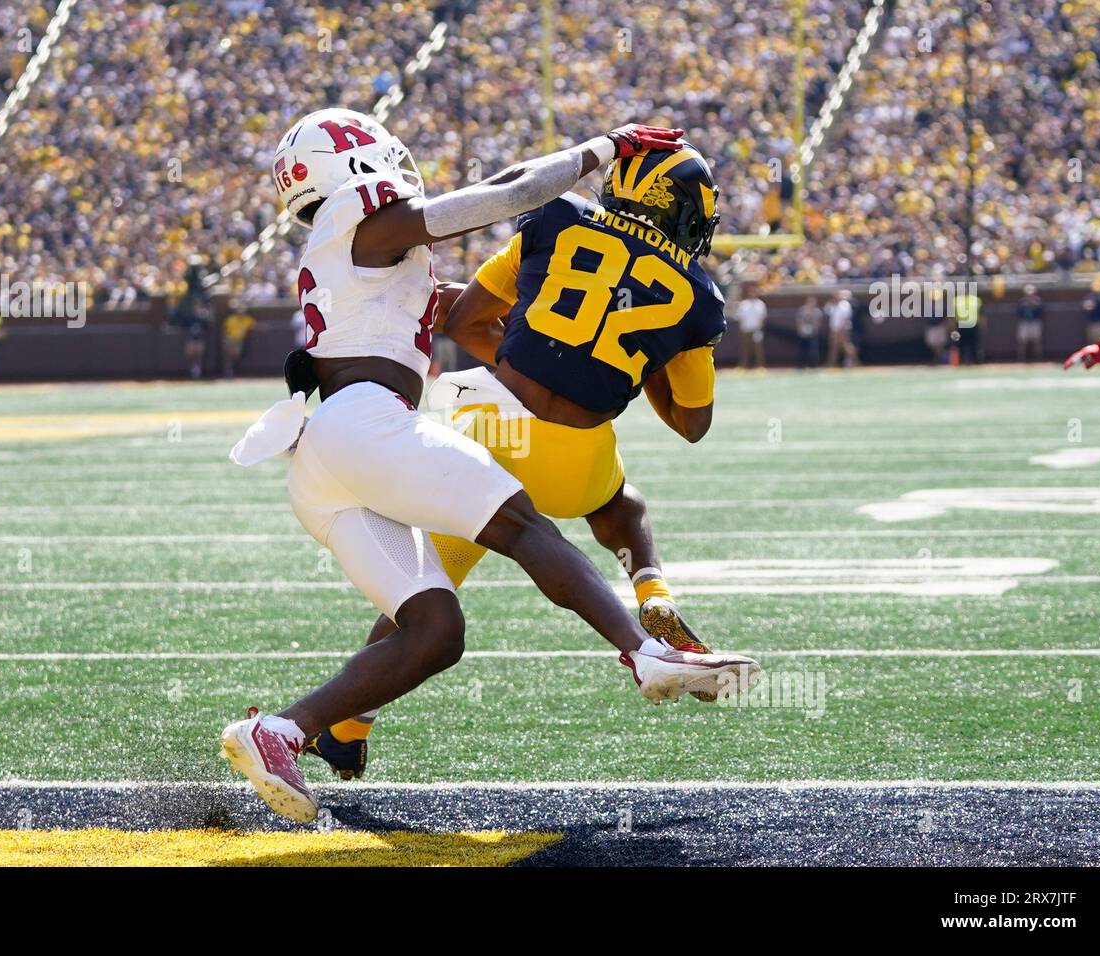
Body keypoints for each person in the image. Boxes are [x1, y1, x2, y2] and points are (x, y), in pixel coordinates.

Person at [221, 110, 757, 823]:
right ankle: (643, 654)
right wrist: (604, 146)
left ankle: (281, 730)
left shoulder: (354, 249)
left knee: (436, 631)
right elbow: (508, 194)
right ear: (352, 162)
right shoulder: (363, 219)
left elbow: (440, 310)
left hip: (327, 462)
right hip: (362, 423)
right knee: (520, 522)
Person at [736, 284, 767, 369]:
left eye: (754, 291)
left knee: (758, 350)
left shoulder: (760, 304)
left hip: (756, 329)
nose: (752, 293)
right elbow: (740, 318)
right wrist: (741, 328)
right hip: (746, 329)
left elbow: (763, 318)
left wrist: (759, 329)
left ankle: (760, 366)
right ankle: (744, 366)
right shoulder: (744, 304)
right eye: (751, 291)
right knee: (745, 349)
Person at [825, 290, 858, 367]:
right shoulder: (833, 305)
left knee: (846, 345)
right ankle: (832, 362)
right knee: (833, 346)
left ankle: (853, 361)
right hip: (834, 329)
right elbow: (827, 311)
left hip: (843, 329)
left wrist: (840, 329)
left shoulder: (844, 305)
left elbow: (845, 318)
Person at [1015, 284, 1044, 363]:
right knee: (1022, 341)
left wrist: (1033, 305)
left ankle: (1038, 357)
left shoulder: (1038, 301)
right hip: (1024, 322)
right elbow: (1019, 313)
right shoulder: (1022, 301)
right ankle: (1021, 357)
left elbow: (1041, 312)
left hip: (1035, 322)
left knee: (1037, 340)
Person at [796, 295, 822, 369]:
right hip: (803, 333)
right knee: (802, 350)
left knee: (813, 350)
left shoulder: (817, 311)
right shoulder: (802, 310)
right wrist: (801, 330)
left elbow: (818, 323)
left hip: (812, 333)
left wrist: (814, 330)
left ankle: (813, 365)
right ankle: (801, 365)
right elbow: (799, 321)